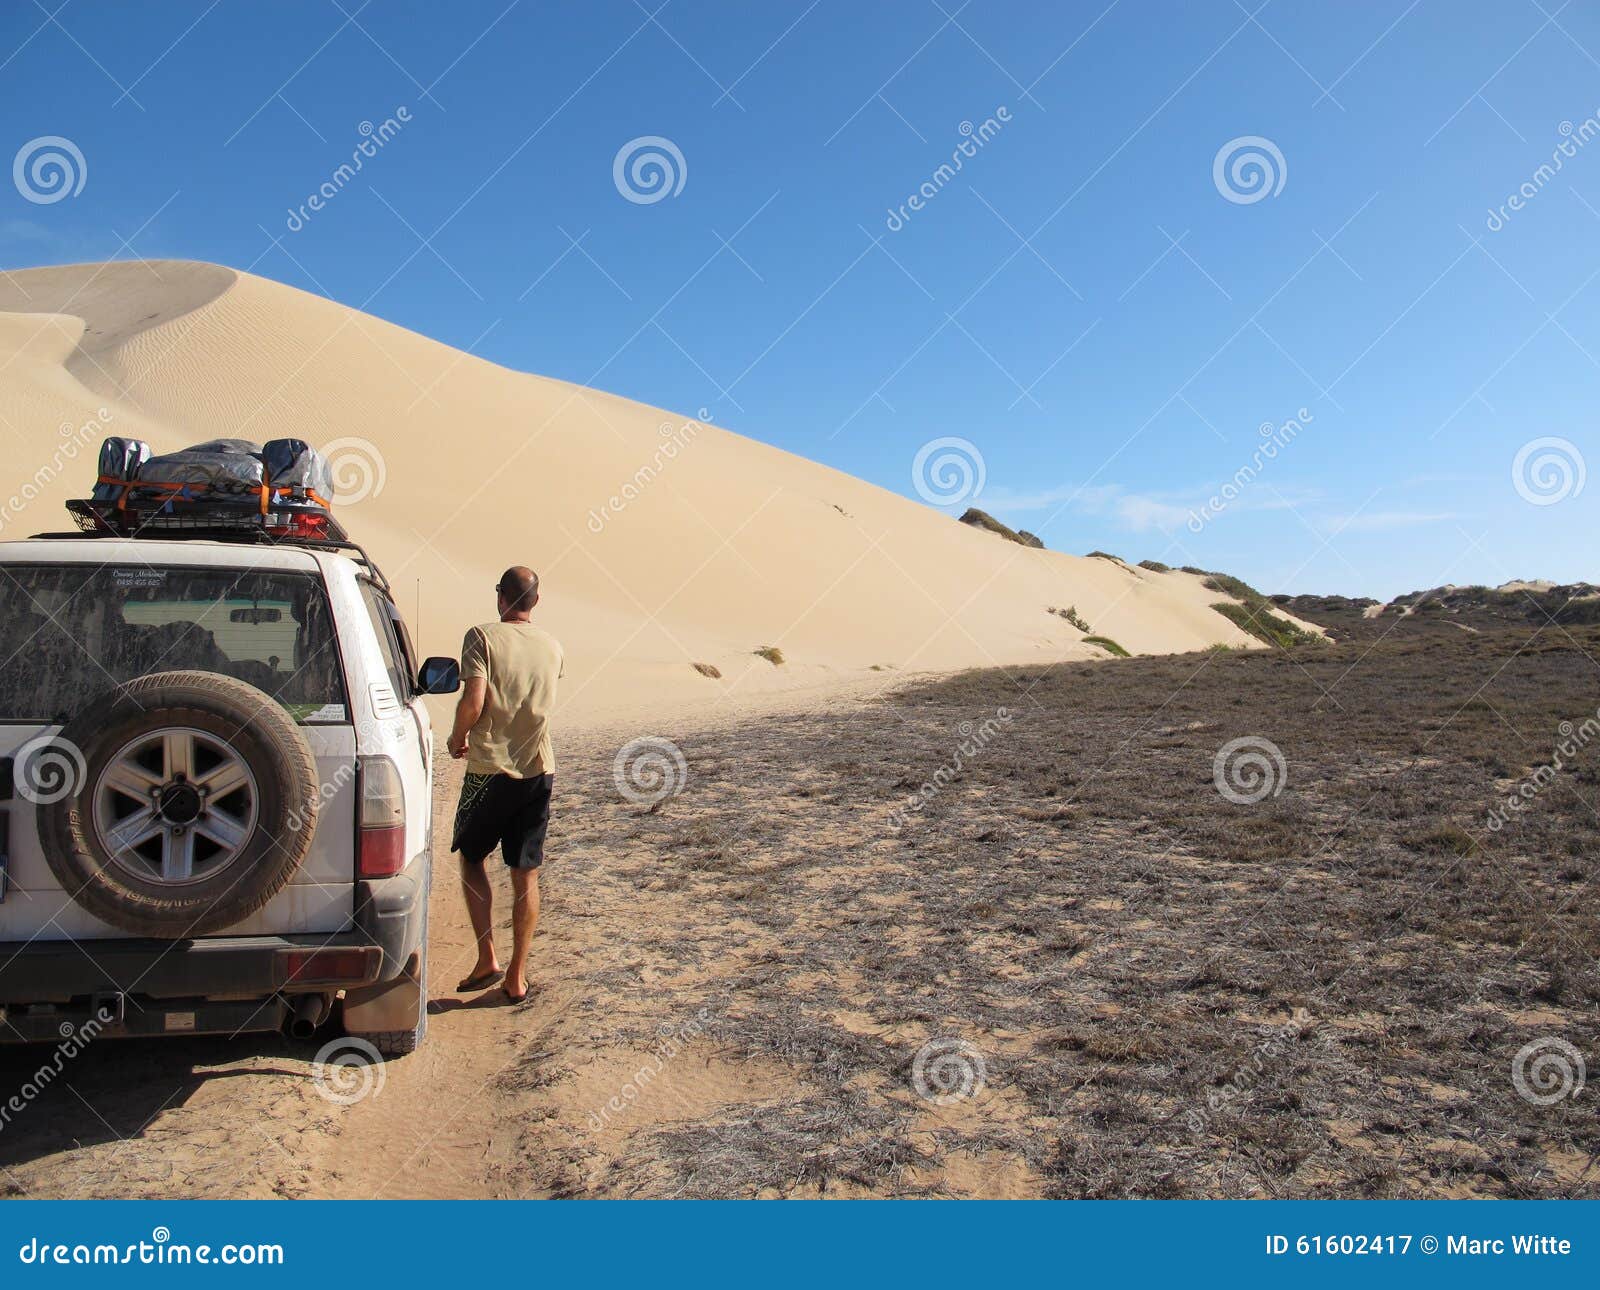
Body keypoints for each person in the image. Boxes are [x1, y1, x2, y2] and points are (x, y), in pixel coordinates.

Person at [446, 566, 564, 1004]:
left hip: (488, 770)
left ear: (501, 597)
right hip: (539, 771)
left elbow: (474, 699)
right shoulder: (552, 646)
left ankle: (486, 958)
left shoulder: (481, 636)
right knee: (525, 872)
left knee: (472, 858)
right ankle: (517, 975)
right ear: (535, 601)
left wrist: (457, 737)